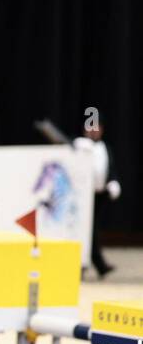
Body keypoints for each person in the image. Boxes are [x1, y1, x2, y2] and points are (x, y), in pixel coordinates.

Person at [73, 118, 122, 279]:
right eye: (90, 128)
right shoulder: (80, 146)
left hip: (100, 195)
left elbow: (110, 167)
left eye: (97, 128)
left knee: (92, 230)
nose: (94, 131)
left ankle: (96, 264)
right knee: (85, 230)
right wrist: (74, 146)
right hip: (81, 196)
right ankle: (89, 264)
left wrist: (113, 181)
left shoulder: (104, 147)